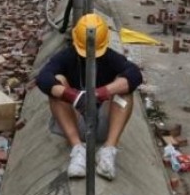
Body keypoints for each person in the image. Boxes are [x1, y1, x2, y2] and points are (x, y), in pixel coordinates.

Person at [36, 14, 143, 180]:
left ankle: (108, 150)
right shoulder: (67, 57)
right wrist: (73, 96)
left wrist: (100, 93)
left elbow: (135, 75)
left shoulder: (110, 57)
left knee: (125, 90)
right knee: (57, 84)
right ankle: (78, 150)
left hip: (104, 121)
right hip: (75, 119)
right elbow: (43, 78)